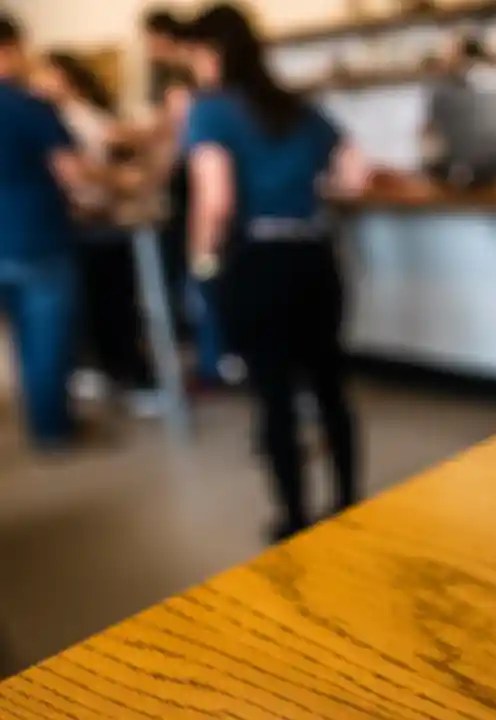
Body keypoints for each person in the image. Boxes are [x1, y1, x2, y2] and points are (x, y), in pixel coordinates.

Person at [185, 3, 368, 540]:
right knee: (330, 386)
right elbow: (355, 173)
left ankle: (293, 517)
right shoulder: (298, 107)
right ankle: (349, 501)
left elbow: (214, 201)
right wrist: (314, 193)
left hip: (258, 261)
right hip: (314, 257)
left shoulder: (210, 110)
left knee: (275, 397)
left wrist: (201, 263)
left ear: (211, 52)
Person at [31, 53, 155, 404]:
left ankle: (122, 370)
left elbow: (110, 149)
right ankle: (118, 370)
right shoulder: (52, 116)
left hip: (103, 215)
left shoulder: (80, 113)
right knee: (104, 300)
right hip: (86, 217)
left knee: (113, 299)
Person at [0, 16, 89, 448]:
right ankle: (52, 429)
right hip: (36, 237)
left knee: (21, 336)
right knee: (48, 340)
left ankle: (40, 418)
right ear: (11, 47)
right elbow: (73, 174)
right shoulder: (28, 105)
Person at [144, 8, 184, 108]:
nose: (149, 45)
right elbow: (155, 107)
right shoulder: (158, 68)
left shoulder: (186, 69)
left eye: (152, 39)